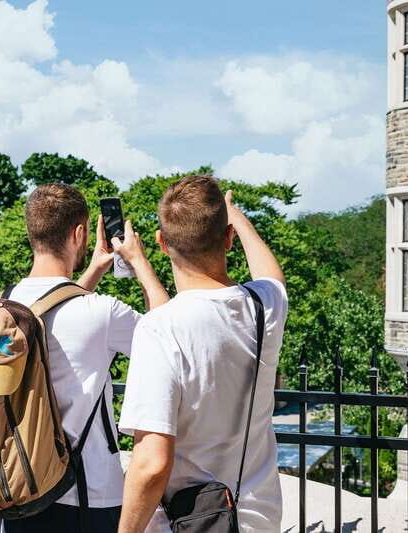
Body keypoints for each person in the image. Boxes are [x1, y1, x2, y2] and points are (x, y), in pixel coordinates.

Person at [118, 175, 288, 533]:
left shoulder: (159, 329)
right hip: (258, 519)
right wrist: (238, 217)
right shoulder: (265, 307)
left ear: (162, 243)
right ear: (227, 239)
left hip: (186, 523)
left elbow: (151, 464)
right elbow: (272, 276)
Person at [2, 183, 169, 533]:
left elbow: (54, 310)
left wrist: (91, 272)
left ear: (32, 232)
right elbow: (170, 336)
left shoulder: (1, 306)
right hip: (86, 497)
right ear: (79, 234)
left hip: (18, 489)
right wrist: (138, 262)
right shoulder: (102, 313)